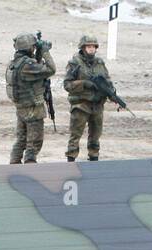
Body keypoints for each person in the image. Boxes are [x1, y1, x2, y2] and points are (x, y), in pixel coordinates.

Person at [62, 34, 120, 162]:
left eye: (93, 46)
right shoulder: (75, 63)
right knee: (75, 135)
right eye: (88, 46)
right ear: (83, 48)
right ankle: (71, 160)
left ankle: (94, 158)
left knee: (95, 136)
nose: (91, 49)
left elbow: (107, 80)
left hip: (97, 105)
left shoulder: (99, 63)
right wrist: (84, 84)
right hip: (81, 105)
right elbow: (67, 85)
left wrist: (111, 92)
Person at [5, 32, 55, 165]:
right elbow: (51, 69)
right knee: (34, 143)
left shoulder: (14, 63)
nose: (34, 49)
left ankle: (14, 165)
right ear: (28, 48)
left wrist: (37, 55)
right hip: (33, 109)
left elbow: (35, 73)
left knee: (21, 140)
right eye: (33, 47)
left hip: (21, 108)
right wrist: (44, 52)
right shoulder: (27, 65)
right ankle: (30, 168)